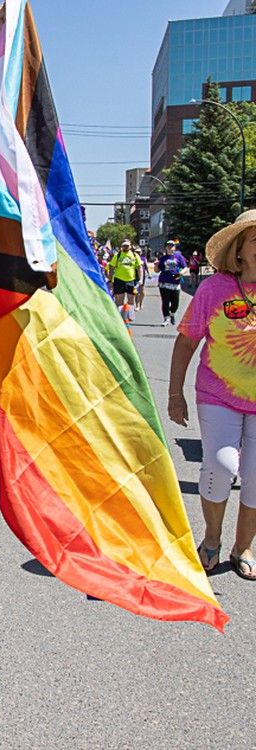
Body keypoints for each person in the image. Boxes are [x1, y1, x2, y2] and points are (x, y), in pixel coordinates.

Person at [168, 210, 256, 581]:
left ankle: (244, 547)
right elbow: (187, 341)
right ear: (239, 251)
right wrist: (175, 393)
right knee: (221, 467)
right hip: (217, 394)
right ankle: (213, 537)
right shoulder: (214, 289)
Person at [106, 239, 142, 324]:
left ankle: (130, 315)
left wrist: (140, 279)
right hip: (119, 280)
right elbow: (111, 267)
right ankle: (119, 316)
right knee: (119, 299)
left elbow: (139, 267)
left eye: (127, 246)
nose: (126, 247)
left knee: (131, 298)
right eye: (124, 246)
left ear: (130, 246)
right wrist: (110, 280)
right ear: (122, 246)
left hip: (131, 280)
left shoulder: (134, 255)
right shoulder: (117, 255)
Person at [156, 238, 187, 326]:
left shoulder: (178, 257)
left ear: (174, 248)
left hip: (175, 282)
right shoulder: (163, 258)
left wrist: (181, 273)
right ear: (166, 248)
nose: (170, 248)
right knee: (165, 301)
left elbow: (185, 267)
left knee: (175, 303)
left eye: (172, 246)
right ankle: (166, 318)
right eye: (168, 246)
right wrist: (156, 265)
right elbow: (157, 270)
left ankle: (172, 313)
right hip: (164, 282)